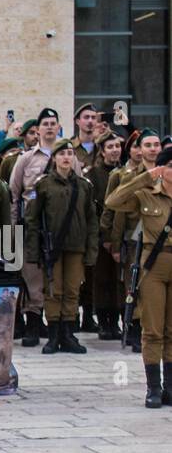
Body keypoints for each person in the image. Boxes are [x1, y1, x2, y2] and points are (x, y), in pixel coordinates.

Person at [105, 147, 172, 407]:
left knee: (171, 330)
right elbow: (113, 201)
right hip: (153, 267)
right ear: (162, 169)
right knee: (153, 329)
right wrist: (145, 177)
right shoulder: (146, 194)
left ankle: (169, 388)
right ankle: (153, 388)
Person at [24, 140, 98, 355]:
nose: (66, 157)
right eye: (61, 154)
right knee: (53, 290)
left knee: (73, 290)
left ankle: (68, 332)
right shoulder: (43, 184)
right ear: (54, 158)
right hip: (51, 248)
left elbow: (91, 220)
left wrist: (91, 250)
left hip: (76, 246)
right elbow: (32, 219)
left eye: (69, 153)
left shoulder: (84, 185)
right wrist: (33, 251)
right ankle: (54, 332)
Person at [10, 108, 64, 346]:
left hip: (59, 225)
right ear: (38, 129)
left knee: (56, 277)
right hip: (31, 223)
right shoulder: (27, 159)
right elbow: (14, 193)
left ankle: (56, 325)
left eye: (53, 123)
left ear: (59, 127)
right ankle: (32, 323)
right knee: (31, 274)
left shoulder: (68, 156)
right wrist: (12, 228)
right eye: (45, 124)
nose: (50, 127)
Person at [86, 131, 125, 340]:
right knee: (101, 279)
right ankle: (103, 322)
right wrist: (103, 235)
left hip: (121, 234)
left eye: (117, 146)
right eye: (109, 147)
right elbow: (92, 208)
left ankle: (116, 322)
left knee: (118, 280)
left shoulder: (125, 172)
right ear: (102, 151)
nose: (114, 150)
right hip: (101, 234)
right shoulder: (93, 174)